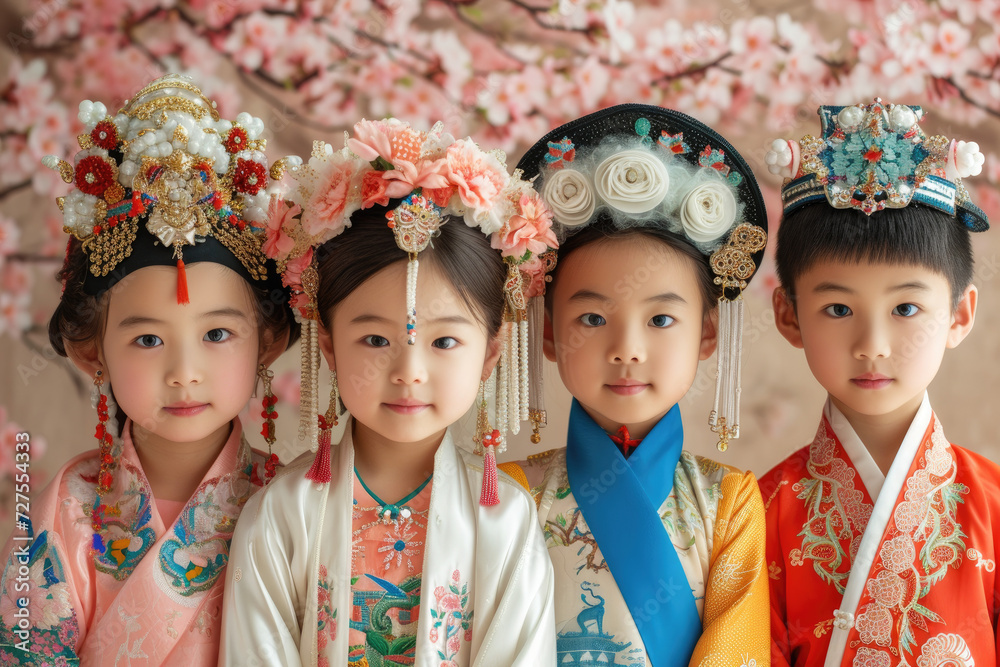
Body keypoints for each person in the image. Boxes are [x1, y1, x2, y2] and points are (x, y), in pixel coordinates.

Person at [221, 118, 558, 665]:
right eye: (375, 338)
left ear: (491, 352)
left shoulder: (507, 520)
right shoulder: (281, 515)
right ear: (328, 345)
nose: (409, 371)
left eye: (445, 340)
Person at [0, 74, 296, 664]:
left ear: (266, 341)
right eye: (147, 339)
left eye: (216, 334)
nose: (184, 372)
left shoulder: (288, 504)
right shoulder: (73, 506)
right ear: (93, 352)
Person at [513, 104, 771, 666]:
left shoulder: (729, 503)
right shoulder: (511, 494)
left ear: (708, 333)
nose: (627, 349)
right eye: (592, 318)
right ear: (550, 335)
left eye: (660, 320)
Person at [760, 98, 994, 664]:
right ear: (789, 316)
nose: (872, 345)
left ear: (959, 316)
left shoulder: (992, 503)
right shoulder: (761, 510)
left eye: (906, 309)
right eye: (838, 309)